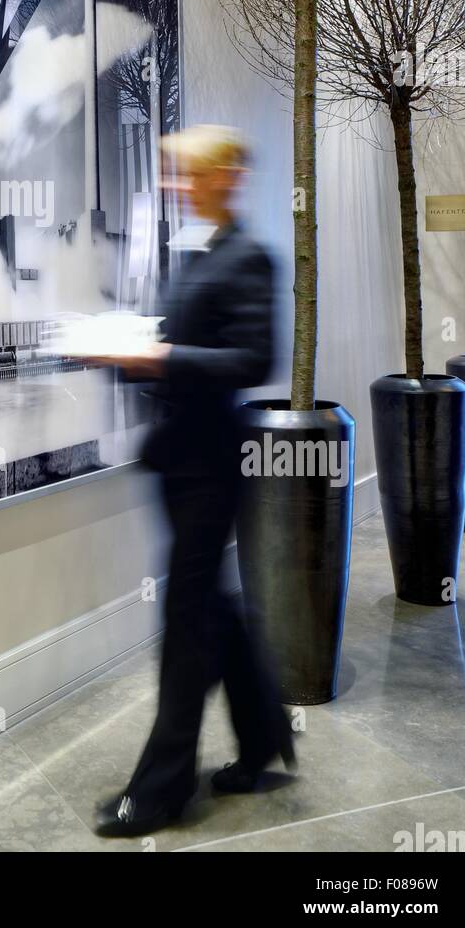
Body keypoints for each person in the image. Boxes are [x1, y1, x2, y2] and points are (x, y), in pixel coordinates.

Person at [91, 124, 294, 839]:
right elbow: (176, 348)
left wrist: (163, 357)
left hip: (210, 463)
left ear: (226, 178)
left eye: (187, 176)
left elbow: (252, 360)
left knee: (185, 621)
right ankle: (264, 733)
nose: (176, 187)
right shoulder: (198, 251)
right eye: (172, 176)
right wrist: (119, 352)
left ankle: (157, 792)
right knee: (210, 604)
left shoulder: (250, 259)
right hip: (180, 459)